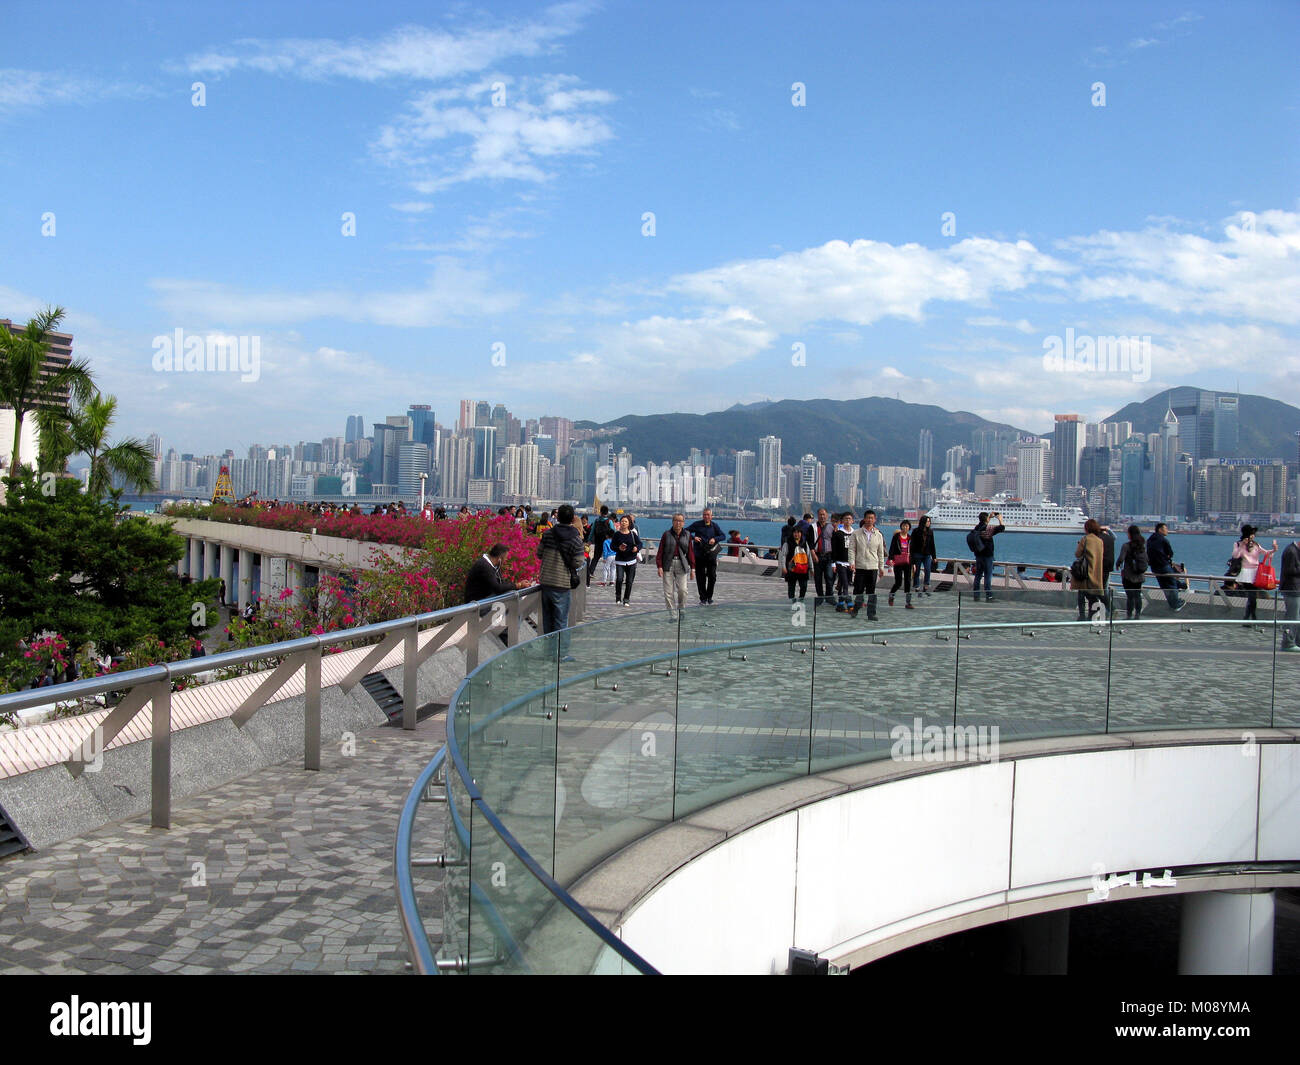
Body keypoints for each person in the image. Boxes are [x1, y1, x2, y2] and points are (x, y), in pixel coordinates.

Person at [537, 504, 584, 658]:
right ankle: (561, 654)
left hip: (545, 581)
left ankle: (548, 652)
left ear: (557, 517)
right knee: (561, 620)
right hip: (562, 583)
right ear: (572, 518)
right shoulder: (576, 539)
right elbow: (578, 562)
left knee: (547, 620)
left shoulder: (548, 534)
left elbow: (539, 553)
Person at [1231, 525, 1277, 623]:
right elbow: (1235, 555)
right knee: (1252, 596)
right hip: (1246, 573)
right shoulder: (1238, 544)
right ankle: (1252, 617)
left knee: (1252, 597)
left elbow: (1266, 553)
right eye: (1251, 534)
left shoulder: (1256, 545)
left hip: (1256, 573)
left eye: (1253, 534)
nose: (1252, 536)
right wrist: (1242, 545)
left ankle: (1248, 618)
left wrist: (1273, 550)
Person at [656, 513, 695, 618]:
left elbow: (690, 552)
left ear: (683, 523)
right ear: (672, 522)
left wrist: (693, 569)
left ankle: (681, 609)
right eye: (676, 520)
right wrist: (659, 566)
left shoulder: (687, 535)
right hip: (668, 564)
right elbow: (660, 551)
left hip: (682, 564)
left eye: (680, 521)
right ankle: (673, 614)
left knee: (683, 590)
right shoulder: (666, 534)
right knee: (668, 592)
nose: (678, 523)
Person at [849, 510, 886, 619]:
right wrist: (852, 562)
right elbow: (851, 549)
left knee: (871, 592)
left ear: (874, 520)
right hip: (860, 566)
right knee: (858, 590)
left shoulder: (878, 535)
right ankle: (856, 609)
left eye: (872, 518)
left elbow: (881, 552)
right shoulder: (856, 533)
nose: (870, 520)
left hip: (873, 567)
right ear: (864, 519)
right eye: (868, 518)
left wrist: (881, 567)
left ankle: (871, 613)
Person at [686, 507, 725, 605]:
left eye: (708, 515)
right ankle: (703, 598)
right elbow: (685, 532)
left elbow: (723, 536)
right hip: (699, 554)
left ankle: (709, 597)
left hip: (711, 555)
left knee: (712, 577)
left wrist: (715, 539)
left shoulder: (714, 526)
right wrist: (693, 538)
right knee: (700, 577)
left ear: (711, 516)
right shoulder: (697, 524)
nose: (706, 516)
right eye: (704, 515)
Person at [1079, 523, 1117, 620]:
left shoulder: (1095, 539)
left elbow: (1081, 553)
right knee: (1102, 589)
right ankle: (1105, 610)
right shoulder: (1110, 539)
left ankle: (1106, 609)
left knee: (1090, 592)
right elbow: (1114, 537)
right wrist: (1107, 530)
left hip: (1096, 568)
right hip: (1107, 568)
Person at [1071, 518, 1106, 620]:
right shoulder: (1100, 541)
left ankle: (1082, 616)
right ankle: (1092, 615)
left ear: (1087, 528)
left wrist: (1079, 545)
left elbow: (1078, 554)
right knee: (1093, 595)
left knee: (1081, 594)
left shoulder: (1085, 539)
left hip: (1084, 571)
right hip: (1096, 571)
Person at [1146, 522, 1184, 612]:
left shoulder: (1150, 540)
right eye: (1166, 528)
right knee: (1172, 584)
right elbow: (1170, 553)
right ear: (1160, 529)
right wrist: (1167, 558)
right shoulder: (1163, 540)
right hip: (1163, 565)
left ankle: (1172, 603)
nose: (1167, 530)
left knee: (1164, 585)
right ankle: (1175, 603)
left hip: (1154, 568)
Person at [969, 511, 1005, 602]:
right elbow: (1002, 528)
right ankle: (989, 596)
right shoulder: (988, 528)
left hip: (978, 555)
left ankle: (976, 596)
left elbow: (983, 524)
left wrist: (989, 517)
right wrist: (1000, 519)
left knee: (978, 576)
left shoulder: (976, 528)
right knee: (988, 576)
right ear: (987, 519)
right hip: (987, 556)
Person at [1116, 524, 1148, 620]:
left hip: (1128, 575)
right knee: (1137, 595)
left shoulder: (1126, 546)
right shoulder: (1142, 546)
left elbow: (1121, 558)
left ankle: (1129, 615)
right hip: (1139, 575)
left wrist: (1118, 564)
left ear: (1130, 534)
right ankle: (1137, 614)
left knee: (1130, 597)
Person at [610, 515, 642, 606]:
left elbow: (640, 544)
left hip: (631, 560)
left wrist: (636, 548)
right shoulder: (617, 534)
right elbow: (612, 546)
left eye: (626, 521)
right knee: (619, 579)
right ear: (620, 523)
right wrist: (619, 548)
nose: (623, 523)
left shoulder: (632, 534)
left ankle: (626, 599)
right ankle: (618, 597)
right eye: (622, 521)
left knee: (629, 581)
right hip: (620, 560)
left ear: (629, 524)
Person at [781, 526, 816, 600]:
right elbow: (783, 555)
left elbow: (809, 555)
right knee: (791, 587)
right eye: (795, 532)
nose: (796, 534)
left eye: (798, 532)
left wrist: (811, 568)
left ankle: (801, 599)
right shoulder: (787, 543)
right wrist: (784, 567)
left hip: (803, 568)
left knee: (804, 586)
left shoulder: (805, 543)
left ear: (801, 533)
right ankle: (792, 601)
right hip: (792, 568)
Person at [887, 519, 915, 608]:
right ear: (901, 526)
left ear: (909, 528)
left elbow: (913, 552)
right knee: (898, 582)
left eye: (907, 526)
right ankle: (891, 595)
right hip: (898, 562)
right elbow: (892, 548)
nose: (905, 527)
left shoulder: (910, 538)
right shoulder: (896, 537)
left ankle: (908, 602)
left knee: (908, 582)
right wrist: (891, 559)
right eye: (904, 525)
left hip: (908, 562)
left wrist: (913, 563)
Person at [832, 512, 854, 611]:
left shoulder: (855, 533)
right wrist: (833, 563)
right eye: (845, 519)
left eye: (849, 519)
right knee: (844, 583)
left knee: (843, 583)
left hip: (851, 562)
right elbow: (834, 550)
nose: (847, 521)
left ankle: (840, 604)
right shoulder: (838, 534)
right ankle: (849, 603)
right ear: (842, 521)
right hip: (840, 563)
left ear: (852, 521)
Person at [910, 515, 937, 597]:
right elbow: (912, 545)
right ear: (923, 522)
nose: (929, 523)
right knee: (916, 571)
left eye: (929, 521)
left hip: (927, 554)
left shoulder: (930, 532)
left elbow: (932, 544)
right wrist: (912, 557)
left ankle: (926, 587)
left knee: (928, 570)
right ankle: (917, 588)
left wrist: (934, 556)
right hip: (917, 554)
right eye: (927, 521)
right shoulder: (915, 531)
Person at [1281, 538, 1300, 652]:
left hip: (1296, 589)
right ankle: (1288, 642)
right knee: (1292, 616)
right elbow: (1289, 570)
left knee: (1297, 617)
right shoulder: (1291, 551)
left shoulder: (1294, 551)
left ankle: (1296, 641)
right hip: (1292, 589)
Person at [813, 508, 836, 606]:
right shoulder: (813, 527)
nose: (822, 516)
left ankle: (829, 596)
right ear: (817, 516)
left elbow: (835, 542)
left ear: (827, 516)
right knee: (818, 578)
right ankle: (820, 596)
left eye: (824, 514)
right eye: (820, 514)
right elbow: (810, 542)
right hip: (817, 556)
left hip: (829, 556)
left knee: (829, 577)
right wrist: (813, 554)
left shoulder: (831, 527)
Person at [587, 505, 612, 585]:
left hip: (598, 542)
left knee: (596, 557)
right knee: (609, 558)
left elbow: (592, 532)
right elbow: (613, 531)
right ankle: (610, 577)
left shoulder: (596, 521)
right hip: (607, 542)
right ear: (607, 512)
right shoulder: (609, 521)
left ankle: (591, 571)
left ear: (600, 512)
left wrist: (589, 540)